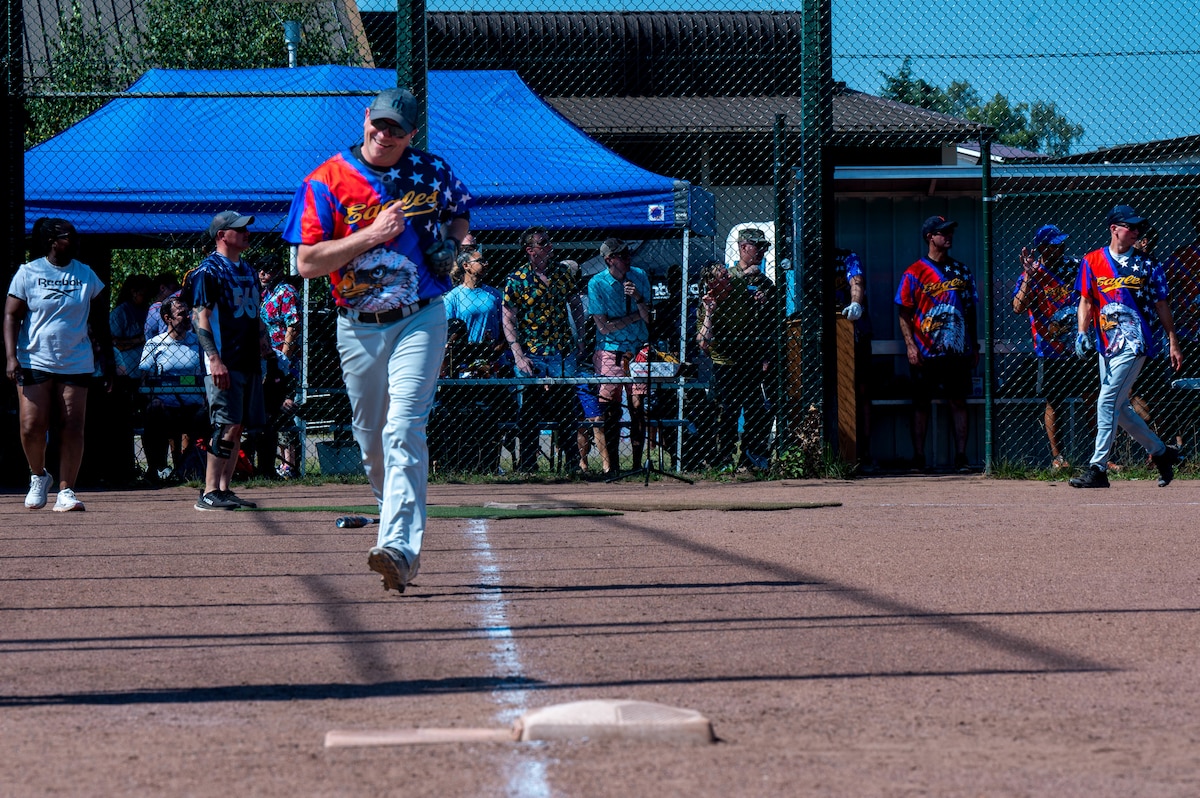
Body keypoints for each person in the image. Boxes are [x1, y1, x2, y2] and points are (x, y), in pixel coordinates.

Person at [284, 87, 471, 594]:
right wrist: (372, 235)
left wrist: (455, 246)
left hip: (421, 316)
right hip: (358, 325)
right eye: (379, 124)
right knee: (371, 441)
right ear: (365, 119)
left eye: (396, 129)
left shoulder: (431, 171)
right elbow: (306, 263)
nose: (384, 135)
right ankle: (392, 519)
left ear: (412, 134)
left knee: (403, 427)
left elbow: (460, 214)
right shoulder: (326, 181)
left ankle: (398, 550)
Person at [1069, 205, 1183, 489]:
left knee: (1106, 401)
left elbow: (1161, 304)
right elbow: (1086, 299)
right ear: (1114, 228)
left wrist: (1172, 340)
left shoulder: (1148, 264)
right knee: (1119, 410)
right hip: (1106, 344)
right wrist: (1082, 333)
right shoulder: (1092, 260)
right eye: (1130, 227)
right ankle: (1162, 452)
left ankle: (1098, 468)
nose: (1136, 232)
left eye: (1138, 228)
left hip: (1135, 342)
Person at [4, 218, 110, 511]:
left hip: (76, 361)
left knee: (72, 426)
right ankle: (39, 476)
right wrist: (11, 357)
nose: (75, 241)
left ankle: (67, 491)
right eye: (69, 237)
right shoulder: (29, 272)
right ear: (52, 241)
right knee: (31, 426)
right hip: (33, 358)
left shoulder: (86, 275)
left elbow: (101, 321)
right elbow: (12, 315)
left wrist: (108, 362)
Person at [184, 210, 266, 511]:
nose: (247, 232)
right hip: (224, 360)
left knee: (238, 426)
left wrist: (262, 334)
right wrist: (214, 359)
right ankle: (208, 491)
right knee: (226, 424)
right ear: (222, 235)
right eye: (239, 228)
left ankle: (224, 489)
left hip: (248, 358)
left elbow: (254, 312)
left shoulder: (247, 269)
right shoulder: (208, 271)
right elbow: (201, 319)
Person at [895, 215, 979, 473]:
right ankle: (919, 458)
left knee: (958, 402)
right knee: (920, 404)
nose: (948, 236)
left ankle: (961, 457)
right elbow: (904, 312)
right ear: (930, 236)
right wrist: (910, 346)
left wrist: (973, 345)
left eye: (950, 231)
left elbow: (971, 310)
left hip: (956, 352)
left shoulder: (961, 270)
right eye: (942, 232)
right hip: (924, 352)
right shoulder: (914, 272)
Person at [696, 227, 777, 472]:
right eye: (757, 247)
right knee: (726, 411)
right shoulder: (727, 278)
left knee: (756, 409)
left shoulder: (763, 283)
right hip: (726, 358)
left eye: (764, 248)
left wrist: (763, 302)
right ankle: (722, 460)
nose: (762, 252)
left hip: (751, 356)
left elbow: (769, 322)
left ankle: (750, 458)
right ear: (743, 247)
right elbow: (705, 331)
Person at [502, 226, 578, 473]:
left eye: (548, 242)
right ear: (530, 250)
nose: (549, 247)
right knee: (529, 410)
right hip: (531, 353)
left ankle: (573, 464)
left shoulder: (562, 274)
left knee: (567, 406)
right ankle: (527, 464)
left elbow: (575, 304)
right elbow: (508, 317)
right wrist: (518, 354)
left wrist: (581, 340)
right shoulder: (517, 279)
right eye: (543, 243)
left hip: (560, 351)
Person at [1012, 224, 1087, 470]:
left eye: (1062, 242)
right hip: (1051, 349)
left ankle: (1104, 457)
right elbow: (1018, 308)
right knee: (1054, 401)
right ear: (1042, 248)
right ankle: (1058, 458)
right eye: (1055, 244)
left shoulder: (1075, 266)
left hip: (1080, 345)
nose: (1061, 247)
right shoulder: (1033, 273)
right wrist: (1030, 276)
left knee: (1094, 397)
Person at [589, 238, 651, 473]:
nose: (628, 259)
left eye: (628, 255)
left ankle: (636, 464)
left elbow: (649, 316)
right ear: (609, 260)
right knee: (609, 406)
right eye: (622, 256)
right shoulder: (597, 283)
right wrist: (636, 316)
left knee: (638, 405)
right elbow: (604, 327)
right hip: (610, 347)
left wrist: (638, 299)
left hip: (637, 348)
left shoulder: (639, 276)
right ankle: (612, 463)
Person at [138, 296, 207, 481]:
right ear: (168, 318)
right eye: (181, 314)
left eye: (188, 314)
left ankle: (189, 466)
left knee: (206, 414)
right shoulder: (155, 344)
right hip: (166, 406)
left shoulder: (198, 343)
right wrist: (156, 394)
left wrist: (180, 381)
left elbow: (205, 375)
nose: (187, 318)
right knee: (152, 411)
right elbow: (146, 378)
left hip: (193, 406)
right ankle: (156, 467)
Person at [256, 254, 303, 478]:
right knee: (270, 409)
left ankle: (289, 465)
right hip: (266, 359)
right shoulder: (263, 294)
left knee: (285, 408)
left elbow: (293, 325)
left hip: (284, 359)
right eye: (260, 270)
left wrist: (283, 358)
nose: (263, 274)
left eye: (268, 270)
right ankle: (274, 463)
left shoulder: (286, 292)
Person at [833, 248, 875, 470]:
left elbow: (856, 282)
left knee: (862, 391)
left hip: (854, 333)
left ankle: (864, 452)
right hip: (825, 339)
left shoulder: (846, 257)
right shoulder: (806, 258)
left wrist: (856, 302)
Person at [143, 272, 182, 340]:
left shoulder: (153, 308)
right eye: (174, 289)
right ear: (162, 288)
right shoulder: (157, 309)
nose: (176, 293)